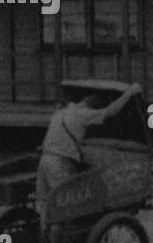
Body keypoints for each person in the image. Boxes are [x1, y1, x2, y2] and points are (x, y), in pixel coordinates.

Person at [35, 83, 141, 229]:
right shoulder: (83, 114)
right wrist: (128, 94)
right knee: (66, 206)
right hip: (59, 163)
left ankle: (42, 235)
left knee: (45, 204)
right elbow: (110, 111)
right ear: (91, 107)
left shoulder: (60, 113)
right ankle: (60, 238)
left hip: (44, 161)